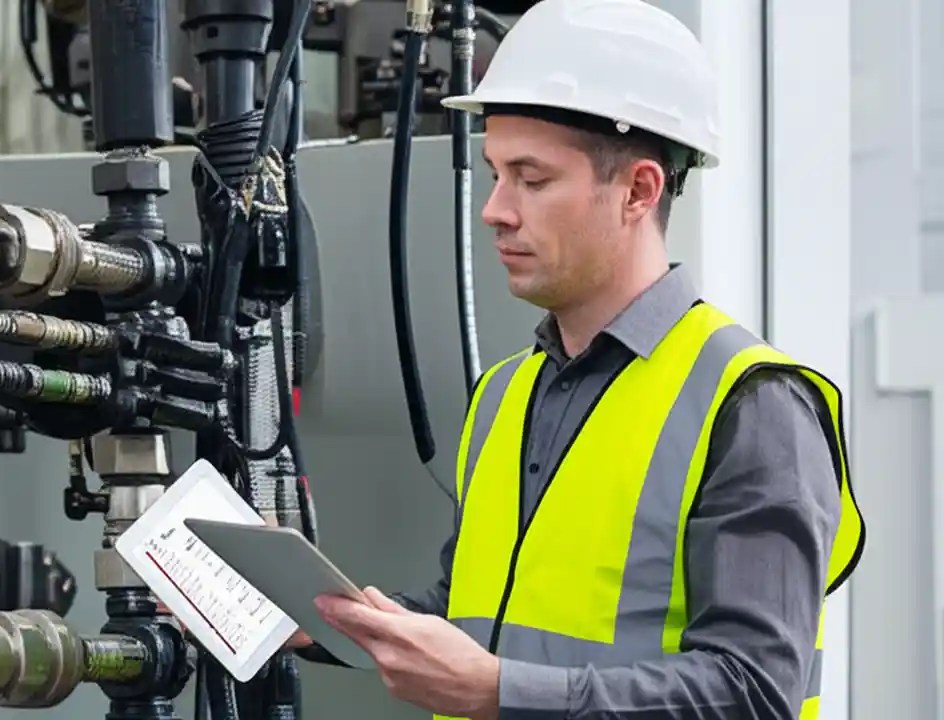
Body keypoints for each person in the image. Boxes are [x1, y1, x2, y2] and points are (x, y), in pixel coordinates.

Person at [287, 0, 867, 718]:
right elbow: (471, 607)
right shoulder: (506, 390)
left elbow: (752, 691)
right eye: (495, 174)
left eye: (531, 179)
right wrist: (311, 618)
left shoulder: (753, 405)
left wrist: (498, 691)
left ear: (638, 190)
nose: (495, 209)